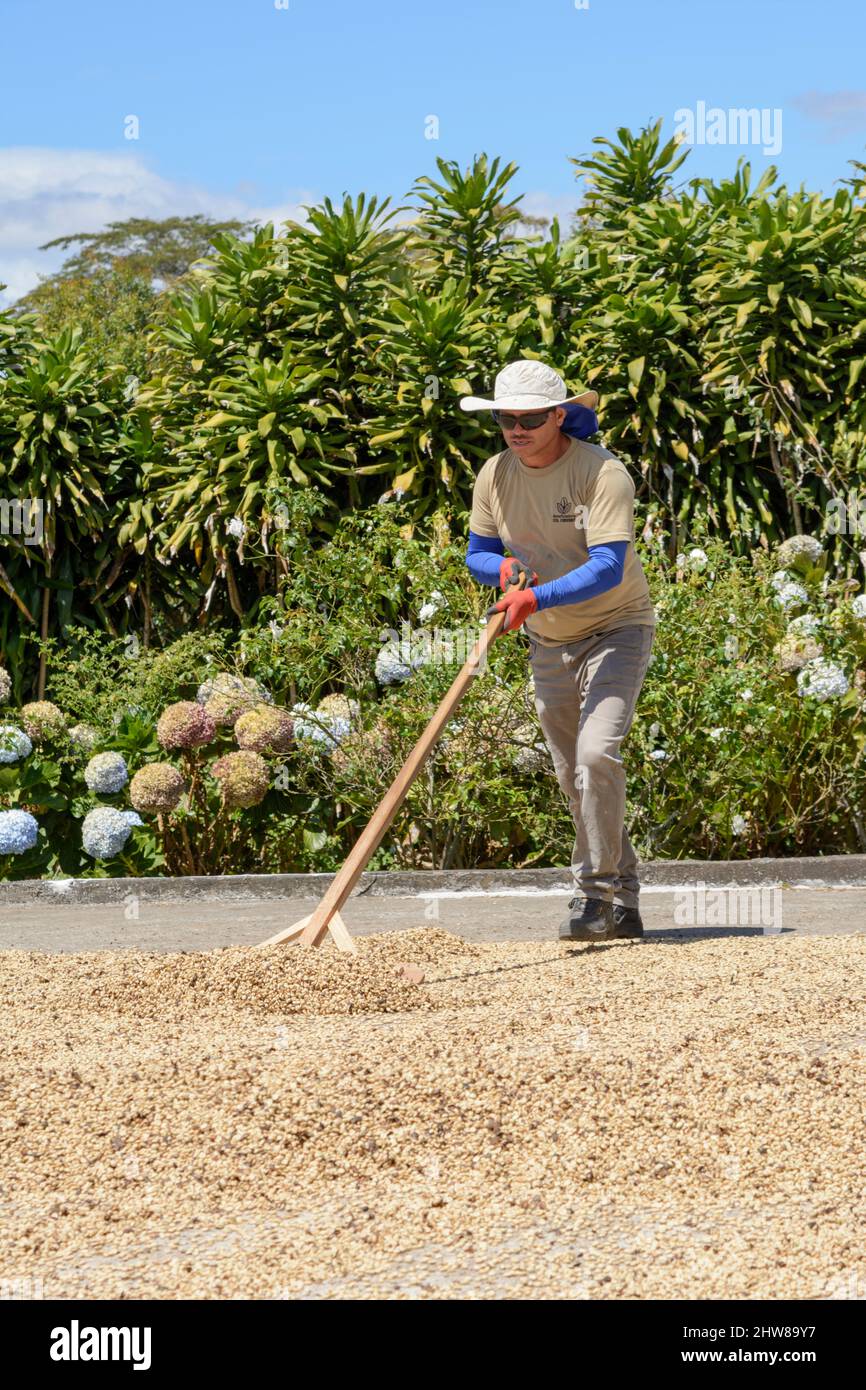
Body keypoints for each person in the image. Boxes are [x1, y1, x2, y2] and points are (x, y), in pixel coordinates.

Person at [461, 359, 656, 942]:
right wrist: (500, 568)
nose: (516, 429)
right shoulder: (494, 475)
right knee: (574, 773)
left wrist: (535, 597)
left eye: (529, 418)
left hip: (616, 627)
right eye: (505, 418)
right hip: (548, 640)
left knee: (597, 756)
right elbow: (477, 551)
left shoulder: (601, 474)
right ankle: (624, 897)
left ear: (559, 416)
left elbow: (606, 567)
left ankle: (593, 894)